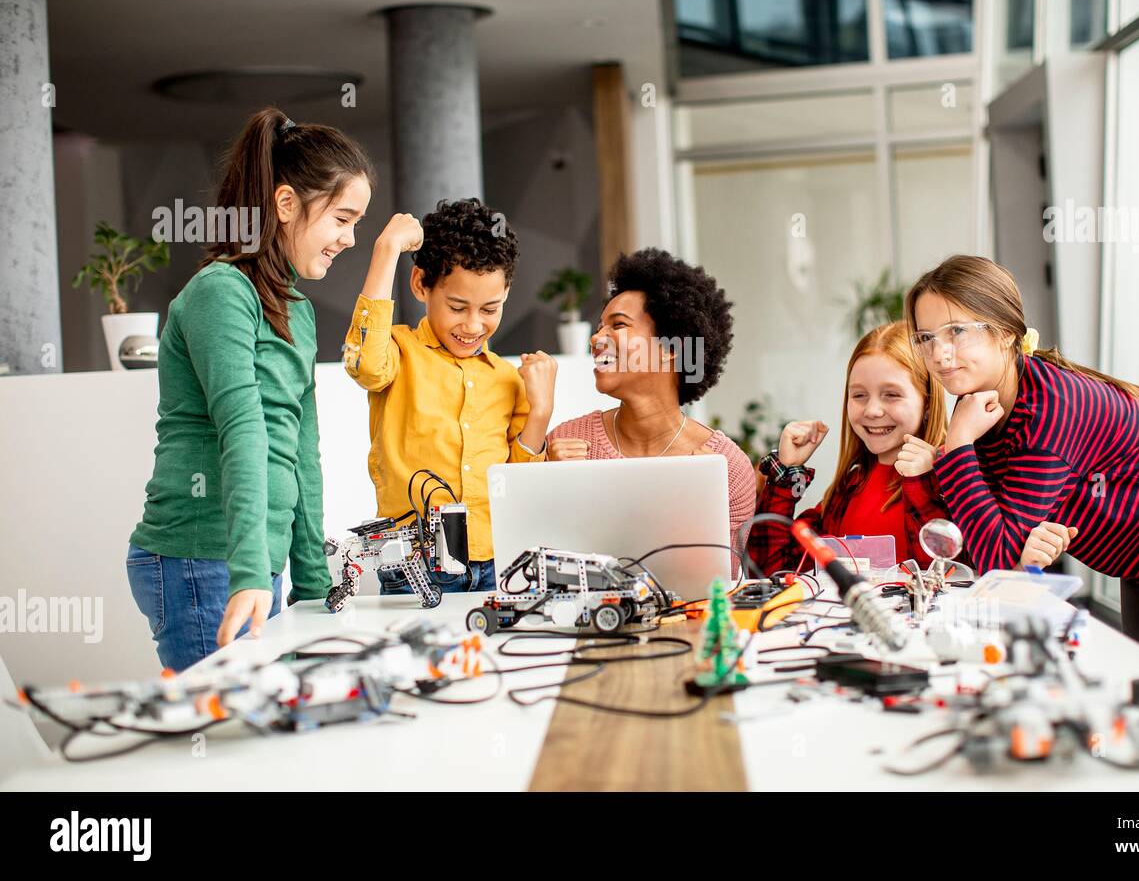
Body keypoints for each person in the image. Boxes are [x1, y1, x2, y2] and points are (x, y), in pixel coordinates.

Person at [907, 254, 1139, 674]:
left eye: (956, 332)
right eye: (927, 337)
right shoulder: (985, 405)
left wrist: (957, 447)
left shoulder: (1046, 412)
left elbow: (999, 561)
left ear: (1003, 333)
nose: (939, 353)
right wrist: (951, 454)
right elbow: (999, 544)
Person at [128, 107, 376, 670]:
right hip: (201, 559)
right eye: (342, 218)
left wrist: (313, 578)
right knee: (223, 744)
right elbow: (243, 431)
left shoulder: (297, 311)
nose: (350, 238)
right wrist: (248, 571)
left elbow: (300, 452)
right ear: (287, 204)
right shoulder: (222, 293)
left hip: (251, 561)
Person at [343, 198, 556, 594]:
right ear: (421, 284)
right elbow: (363, 364)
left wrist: (540, 411)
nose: (473, 325)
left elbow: (519, 488)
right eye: (457, 307)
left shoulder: (509, 380)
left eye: (490, 308)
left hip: (495, 563)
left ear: (507, 292)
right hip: (416, 565)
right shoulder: (398, 353)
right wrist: (387, 250)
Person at [547, 249, 755, 566]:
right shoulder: (566, 444)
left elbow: (722, 591)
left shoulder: (725, 467)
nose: (596, 339)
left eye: (617, 325)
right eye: (599, 327)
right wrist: (549, 480)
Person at [747, 321, 951, 577]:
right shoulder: (848, 488)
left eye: (891, 394)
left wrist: (920, 483)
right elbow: (769, 572)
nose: (872, 410)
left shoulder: (951, 477)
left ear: (928, 403)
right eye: (859, 395)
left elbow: (948, 575)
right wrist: (786, 474)